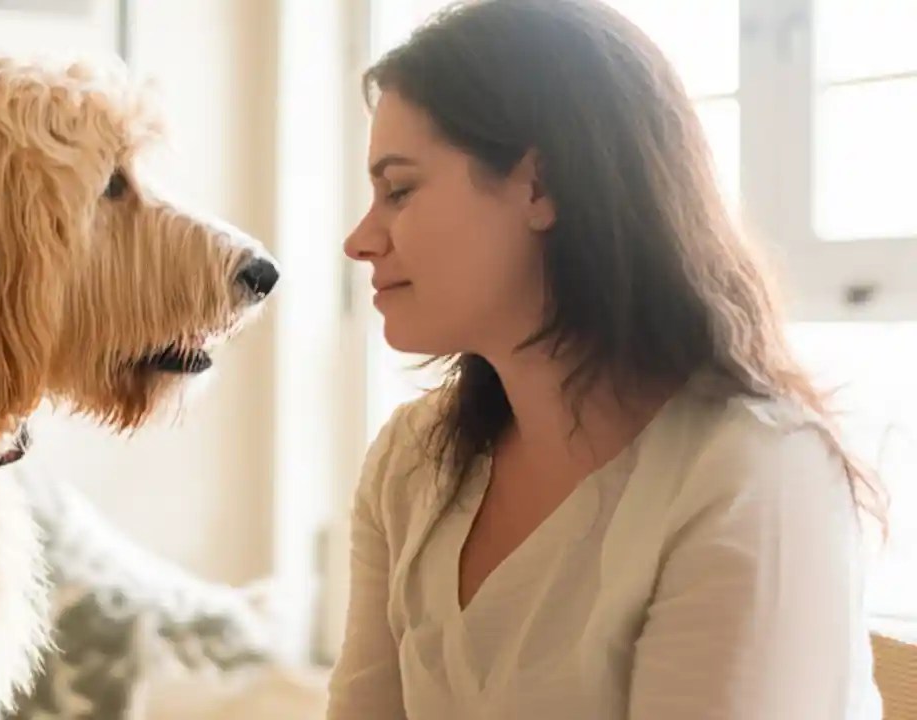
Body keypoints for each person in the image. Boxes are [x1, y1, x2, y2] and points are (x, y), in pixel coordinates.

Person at [328, 1, 886, 718]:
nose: (361, 240)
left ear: (539, 185)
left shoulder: (751, 476)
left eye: (399, 190)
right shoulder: (411, 464)